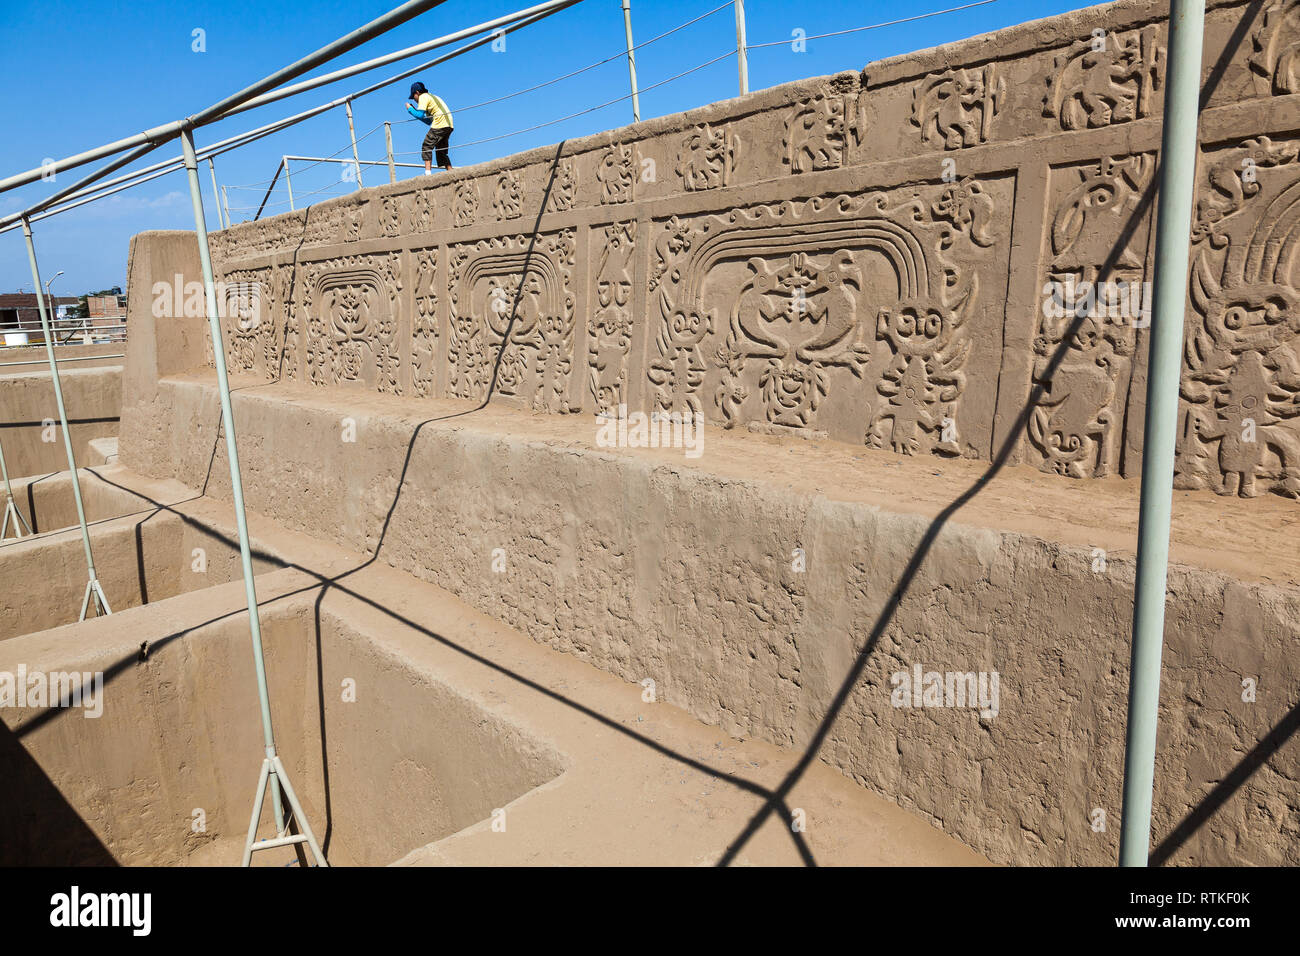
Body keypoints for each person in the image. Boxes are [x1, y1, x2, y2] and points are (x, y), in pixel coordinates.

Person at [406, 81, 454, 174]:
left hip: (440, 124)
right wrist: (415, 110)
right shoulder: (432, 96)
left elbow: (420, 115)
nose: (414, 100)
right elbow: (428, 121)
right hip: (448, 125)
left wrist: (410, 109)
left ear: (417, 92)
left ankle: (428, 174)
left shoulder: (423, 97)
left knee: (427, 145)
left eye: (413, 97)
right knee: (441, 151)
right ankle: (451, 172)